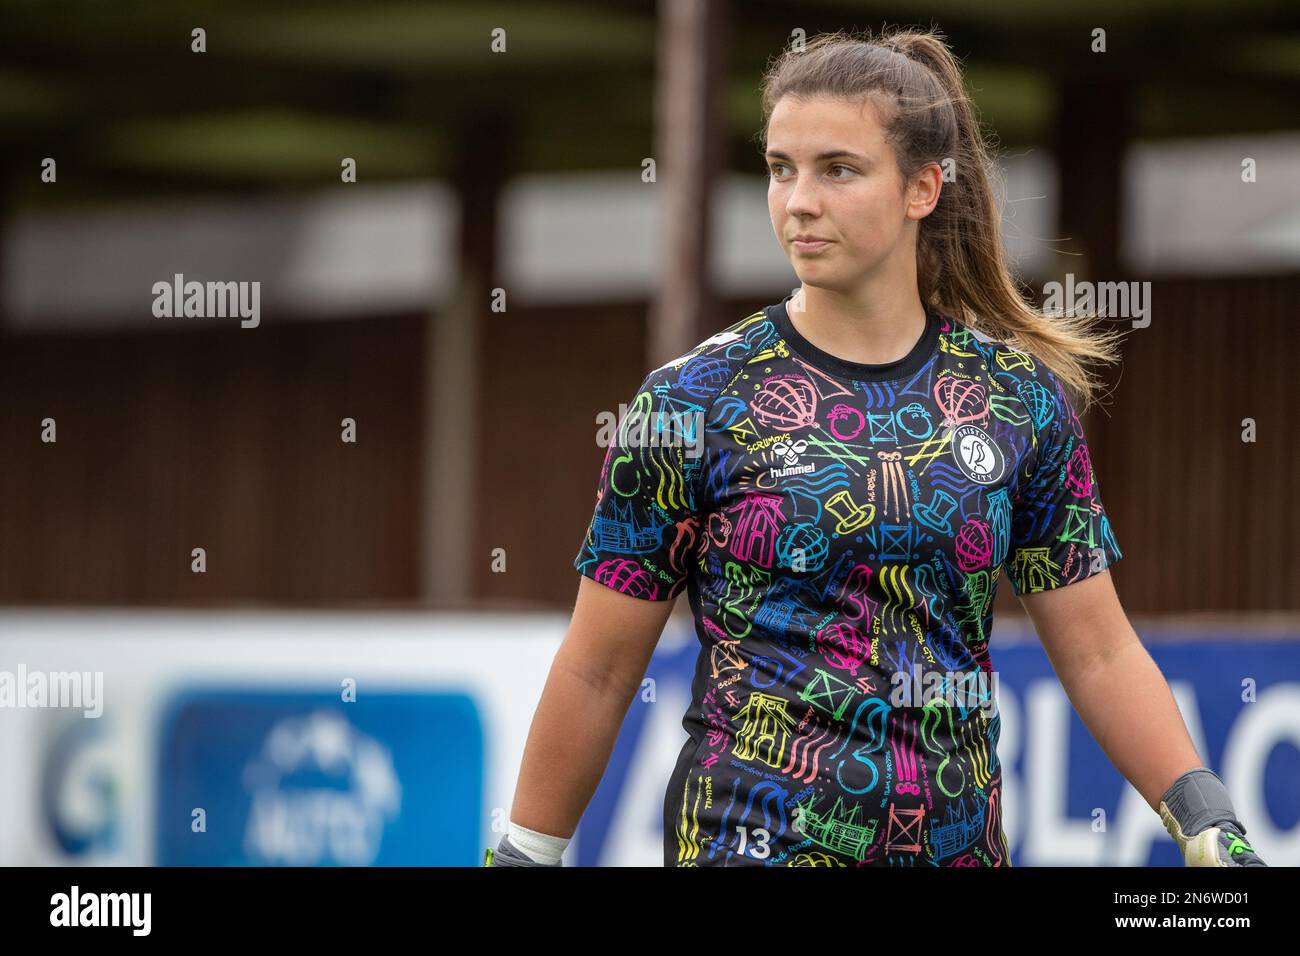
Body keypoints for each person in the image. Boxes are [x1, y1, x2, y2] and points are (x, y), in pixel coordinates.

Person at [487, 27, 1266, 868]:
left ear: (922, 188)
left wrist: (1203, 815)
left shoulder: (1015, 400)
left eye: (838, 169)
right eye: (781, 167)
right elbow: (598, 668)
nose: (798, 201)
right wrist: (525, 853)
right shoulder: (689, 401)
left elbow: (1101, 651)